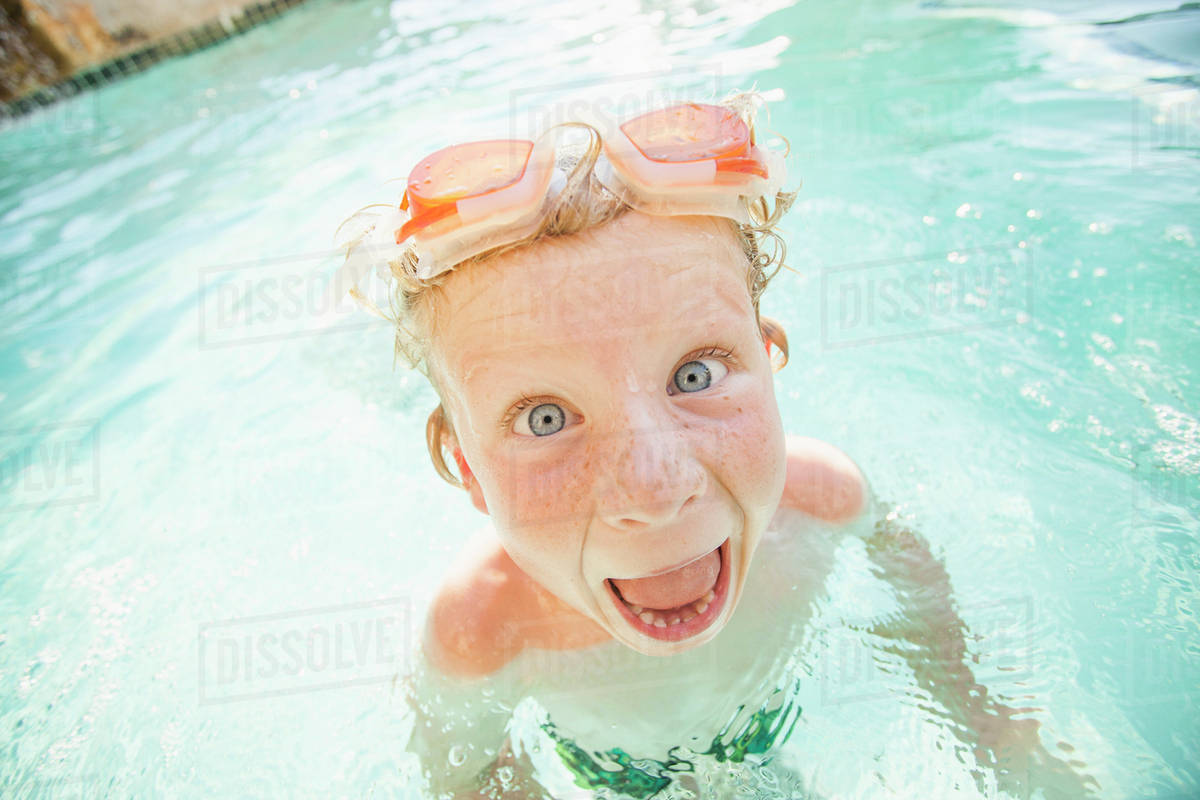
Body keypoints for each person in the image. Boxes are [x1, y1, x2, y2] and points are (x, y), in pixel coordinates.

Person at [332, 95, 1094, 799]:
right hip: (618, 776)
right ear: (467, 467)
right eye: (545, 419)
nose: (656, 488)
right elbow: (472, 779)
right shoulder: (483, 628)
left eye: (694, 375)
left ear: (769, 358)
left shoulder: (821, 497)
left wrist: (977, 712)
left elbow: (907, 568)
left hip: (768, 725)